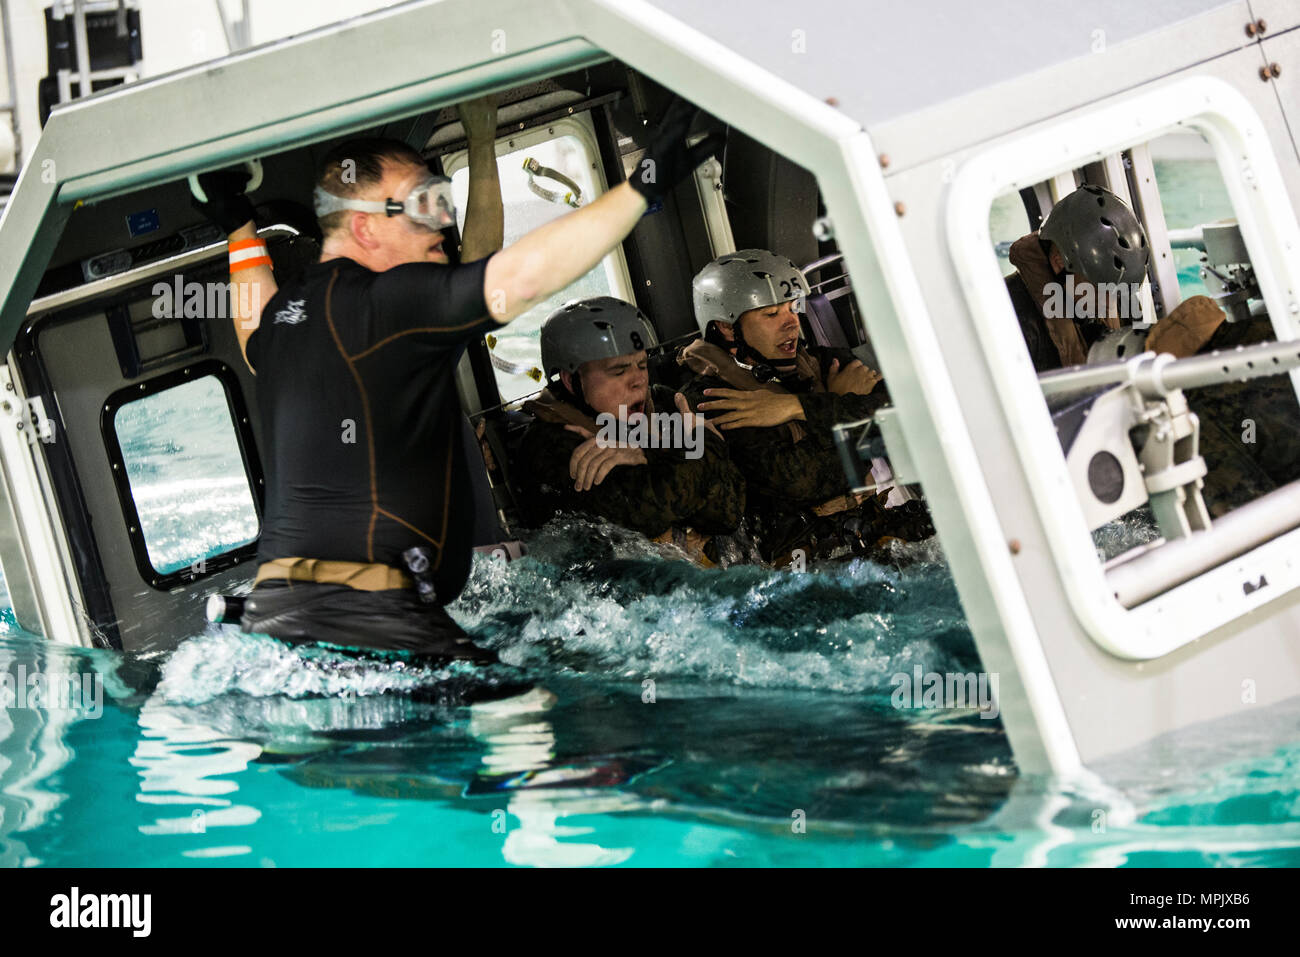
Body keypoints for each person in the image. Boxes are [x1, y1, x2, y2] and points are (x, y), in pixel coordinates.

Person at [190, 97, 722, 660]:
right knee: (525, 733)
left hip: (285, 622)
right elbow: (518, 275)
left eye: (442, 200)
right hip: (375, 621)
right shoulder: (388, 305)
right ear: (366, 228)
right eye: (423, 205)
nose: (442, 219)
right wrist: (640, 189)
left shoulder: (293, 321)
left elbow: (252, 333)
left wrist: (239, 228)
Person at [1005, 184, 1298, 513]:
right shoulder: (1008, 319)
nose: (1109, 301)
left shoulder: (1110, 288)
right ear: (1059, 261)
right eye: (1100, 290)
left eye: (1117, 292)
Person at [678, 249, 934, 564]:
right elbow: (804, 482)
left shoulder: (821, 362)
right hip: (801, 559)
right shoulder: (712, 399)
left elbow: (912, 418)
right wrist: (846, 404)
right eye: (771, 315)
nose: (791, 324)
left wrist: (798, 406)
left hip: (871, 528)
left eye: (792, 308)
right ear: (728, 328)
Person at [514, 297, 746, 563]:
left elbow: (728, 513)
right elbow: (651, 511)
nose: (638, 381)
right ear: (571, 380)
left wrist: (653, 455)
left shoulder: (660, 404)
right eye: (619, 371)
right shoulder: (555, 442)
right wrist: (702, 443)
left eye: (642, 365)